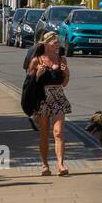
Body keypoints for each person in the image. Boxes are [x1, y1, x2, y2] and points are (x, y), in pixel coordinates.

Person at [28, 32, 71, 176]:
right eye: (54, 42)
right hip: (42, 98)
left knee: (58, 132)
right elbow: (29, 83)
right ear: (46, 43)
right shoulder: (36, 60)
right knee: (44, 134)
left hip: (58, 97)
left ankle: (61, 164)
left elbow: (64, 84)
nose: (57, 44)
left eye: (58, 42)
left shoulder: (61, 59)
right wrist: (38, 74)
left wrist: (66, 74)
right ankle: (45, 165)